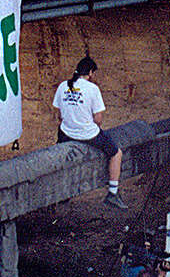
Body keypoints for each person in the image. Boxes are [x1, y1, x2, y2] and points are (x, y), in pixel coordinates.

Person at [53, 57, 128, 209]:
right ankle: (113, 193)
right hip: (87, 134)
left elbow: (59, 115)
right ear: (91, 73)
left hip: (66, 133)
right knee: (116, 153)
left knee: (61, 151)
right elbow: (98, 119)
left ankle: (63, 193)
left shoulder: (62, 86)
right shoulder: (93, 89)